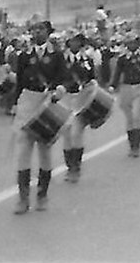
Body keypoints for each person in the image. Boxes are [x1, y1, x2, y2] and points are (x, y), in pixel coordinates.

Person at [11, 21, 68, 214]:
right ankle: (23, 198)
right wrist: (14, 104)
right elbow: (19, 82)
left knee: (44, 149)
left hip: (47, 103)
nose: (37, 32)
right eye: (34, 29)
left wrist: (60, 90)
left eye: (41, 29)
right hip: (27, 102)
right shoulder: (24, 56)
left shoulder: (57, 55)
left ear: (48, 32)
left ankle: (42, 195)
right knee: (23, 150)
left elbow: (64, 77)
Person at [60, 33, 96, 183]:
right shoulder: (60, 59)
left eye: (78, 41)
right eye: (72, 41)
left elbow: (92, 78)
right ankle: (69, 167)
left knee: (77, 132)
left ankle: (76, 167)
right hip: (65, 97)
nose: (75, 43)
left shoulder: (87, 59)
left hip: (81, 97)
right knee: (66, 133)